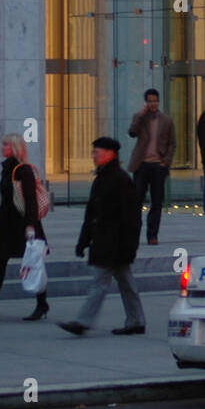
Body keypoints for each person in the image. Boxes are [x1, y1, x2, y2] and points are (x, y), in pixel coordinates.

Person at [60, 137, 145, 336]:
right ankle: (136, 321)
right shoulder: (103, 179)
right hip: (108, 242)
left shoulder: (121, 180)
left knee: (99, 283)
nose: (93, 156)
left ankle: (83, 322)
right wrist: (83, 241)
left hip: (113, 243)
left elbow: (132, 218)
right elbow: (91, 214)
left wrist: (129, 245)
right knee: (126, 283)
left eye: (96, 152)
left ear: (109, 154)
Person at [0, 134, 48, 321]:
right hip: (5, 223)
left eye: (5, 144)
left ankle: (42, 303)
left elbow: (30, 201)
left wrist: (30, 225)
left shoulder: (23, 170)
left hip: (21, 223)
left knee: (33, 262)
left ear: (14, 148)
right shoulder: (7, 168)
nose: (1, 147)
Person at [127, 88, 175, 245]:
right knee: (136, 202)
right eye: (150, 101)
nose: (153, 104)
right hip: (141, 165)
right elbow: (132, 132)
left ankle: (152, 235)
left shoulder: (167, 120)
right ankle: (133, 234)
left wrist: (165, 161)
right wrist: (141, 115)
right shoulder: (140, 118)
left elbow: (172, 144)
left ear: (158, 101)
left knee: (156, 202)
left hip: (158, 166)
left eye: (155, 101)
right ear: (146, 103)